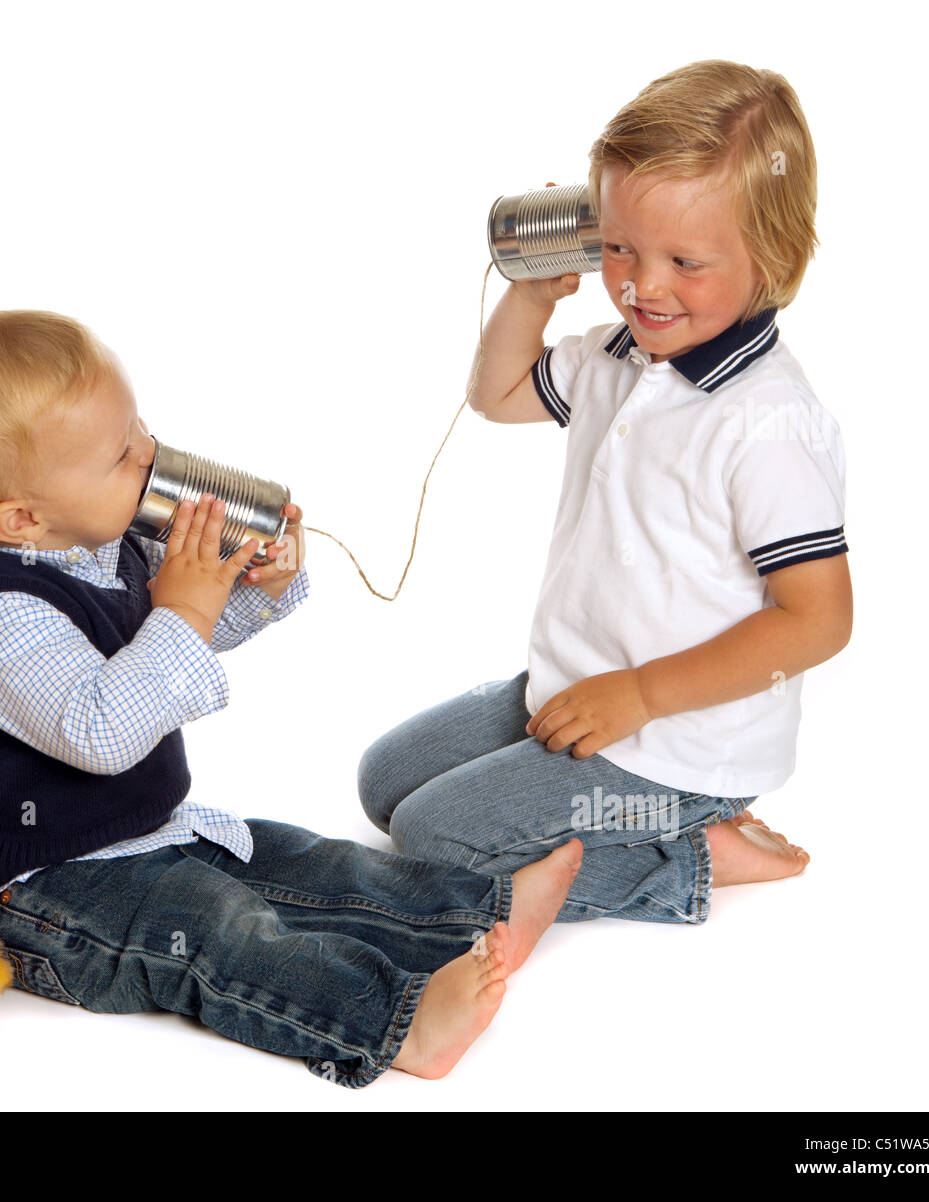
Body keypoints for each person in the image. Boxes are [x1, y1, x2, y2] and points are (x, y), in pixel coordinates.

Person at [0, 309, 582, 1087]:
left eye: (138, 428)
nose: (150, 455)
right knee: (220, 927)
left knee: (298, 858)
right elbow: (107, 729)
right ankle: (392, 1023)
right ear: (21, 518)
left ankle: (478, 908)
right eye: (119, 456)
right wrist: (185, 609)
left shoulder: (100, 549)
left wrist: (253, 591)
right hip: (40, 893)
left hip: (150, 832)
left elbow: (170, 652)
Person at [358, 59, 852, 924]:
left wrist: (645, 695)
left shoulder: (767, 422)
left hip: (678, 743)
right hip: (578, 683)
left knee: (435, 841)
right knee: (385, 783)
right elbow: (498, 395)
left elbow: (819, 619)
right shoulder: (617, 355)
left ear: (770, 255)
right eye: (619, 245)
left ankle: (688, 852)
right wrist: (532, 294)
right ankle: (631, 815)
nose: (642, 285)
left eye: (683, 261)